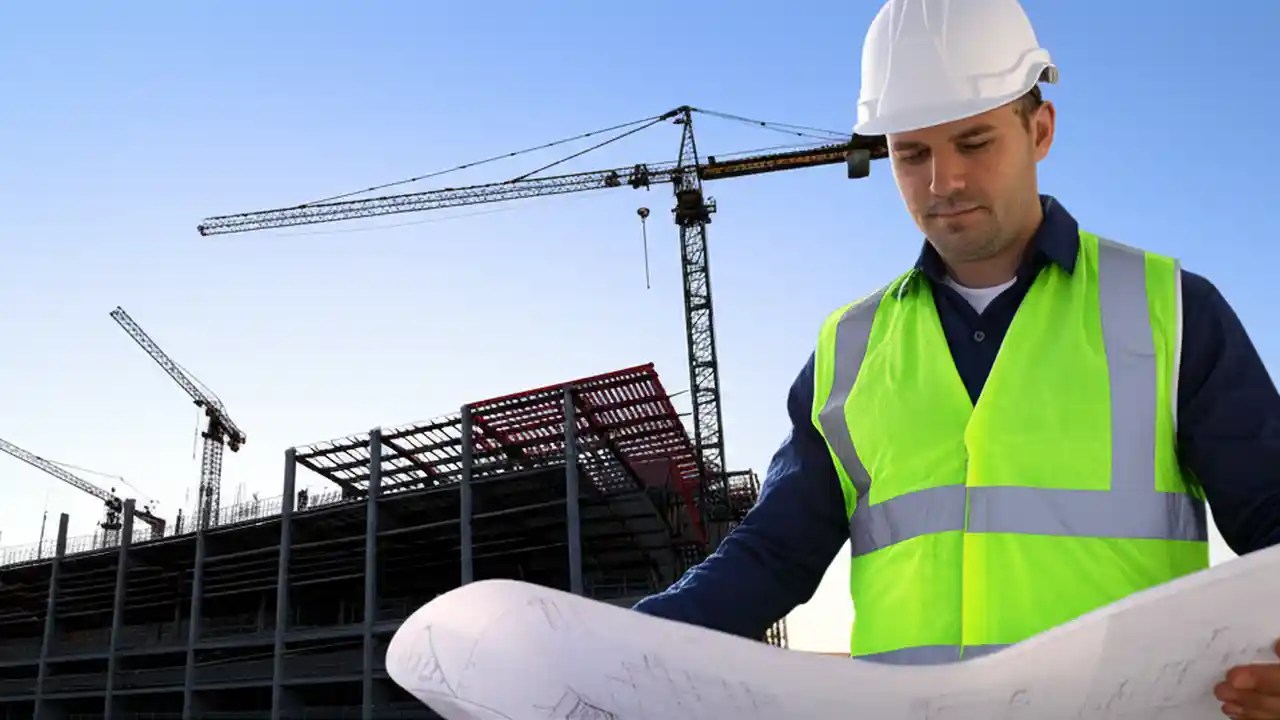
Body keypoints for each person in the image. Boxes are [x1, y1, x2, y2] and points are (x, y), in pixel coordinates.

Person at [631, 0, 1280, 716]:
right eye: (912, 153)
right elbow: (769, 556)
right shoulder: (850, 349)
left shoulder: (1173, 312)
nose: (943, 182)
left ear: (1040, 130)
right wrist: (616, 650)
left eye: (974, 143)